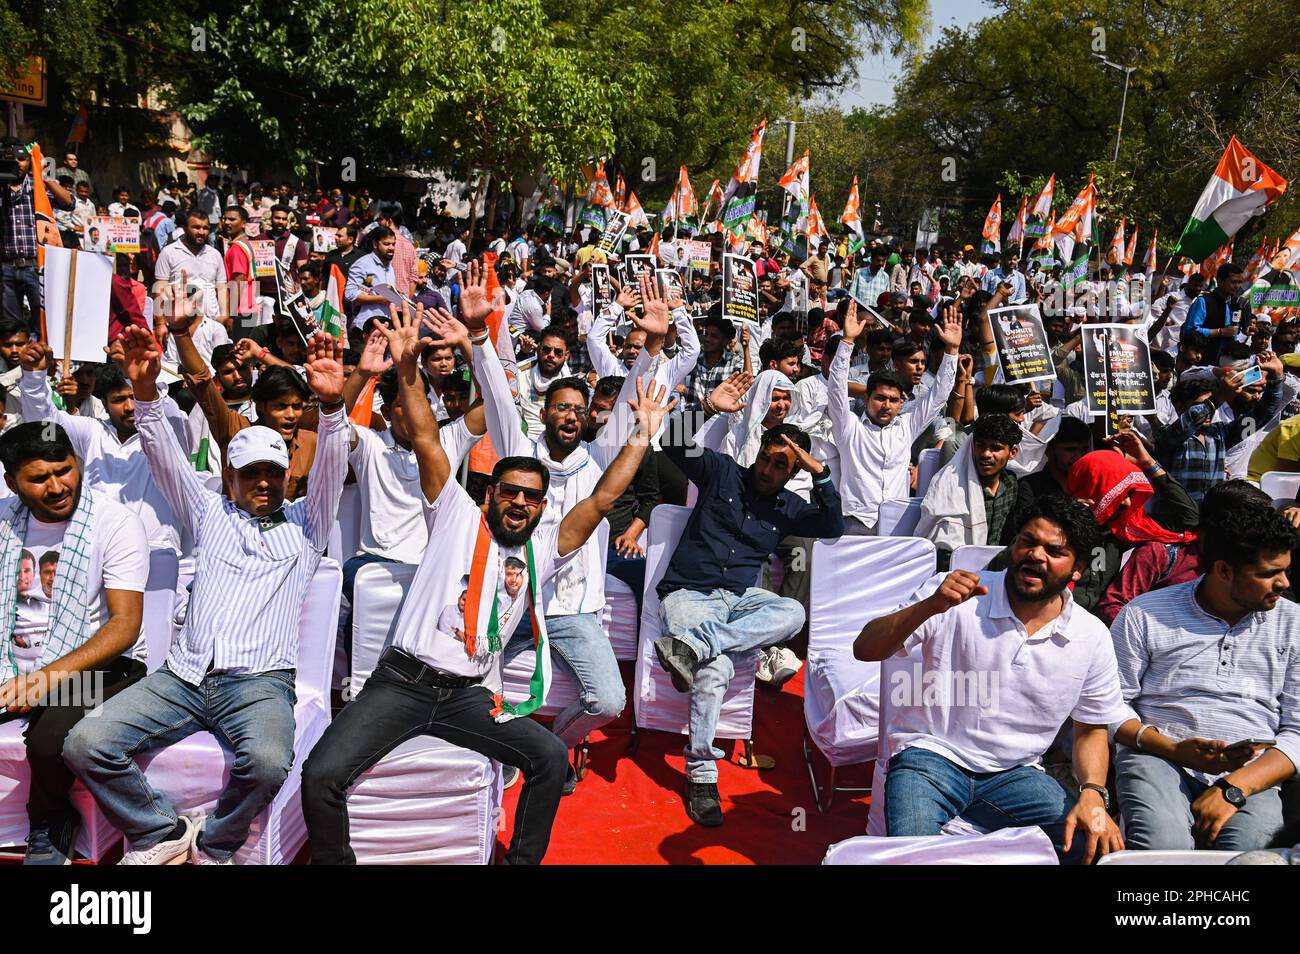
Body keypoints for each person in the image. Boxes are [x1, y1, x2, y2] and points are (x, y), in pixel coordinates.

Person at [300, 302, 673, 865]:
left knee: (548, 758)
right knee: (320, 774)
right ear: (490, 493)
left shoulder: (541, 548)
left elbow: (601, 499)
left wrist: (640, 436)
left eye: (530, 496)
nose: (519, 501)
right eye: (509, 491)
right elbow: (427, 437)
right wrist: (405, 371)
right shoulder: (453, 512)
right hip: (401, 683)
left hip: (469, 696)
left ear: (541, 507)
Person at [64, 324, 348, 865]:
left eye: (273, 472)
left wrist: (332, 411)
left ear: (288, 476)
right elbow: (164, 455)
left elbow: (331, 472)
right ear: (230, 476)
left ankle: (215, 842)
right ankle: (158, 830)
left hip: (260, 682)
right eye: (251, 473)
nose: (264, 482)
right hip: (182, 676)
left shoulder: (307, 526)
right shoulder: (207, 510)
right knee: (84, 743)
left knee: (267, 762)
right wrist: (145, 394)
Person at [478, 270, 684, 790]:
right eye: (561, 407)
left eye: (579, 409)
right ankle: (500, 755)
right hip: (514, 602)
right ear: (544, 413)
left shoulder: (600, 458)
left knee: (608, 701)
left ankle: (551, 749)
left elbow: (643, 404)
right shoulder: (521, 455)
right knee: (467, 682)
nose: (570, 415)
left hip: (574, 613)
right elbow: (499, 395)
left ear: (590, 419)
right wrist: (480, 336)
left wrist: (655, 346)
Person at [855, 496, 1128, 863]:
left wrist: (1093, 791)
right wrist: (930, 606)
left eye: (1054, 550)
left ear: (1077, 568)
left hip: (1015, 775)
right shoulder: (958, 594)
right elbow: (865, 648)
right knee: (913, 857)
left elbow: (1091, 729)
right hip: (931, 759)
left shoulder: (1091, 636)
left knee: (1090, 848)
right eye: (1028, 542)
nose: (1035, 555)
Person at [654, 394, 843, 824]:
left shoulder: (789, 506)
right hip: (688, 592)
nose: (769, 470)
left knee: (793, 612)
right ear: (757, 452)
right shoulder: (722, 472)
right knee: (715, 670)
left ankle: (691, 646)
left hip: (740, 599)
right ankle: (702, 772)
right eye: (768, 458)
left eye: (783, 466)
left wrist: (822, 474)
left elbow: (832, 527)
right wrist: (708, 406)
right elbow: (672, 442)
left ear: (793, 473)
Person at [1110, 503, 1300, 851]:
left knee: (1249, 858)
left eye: (1285, 570)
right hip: (1157, 758)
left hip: (1256, 771)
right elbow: (1109, 708)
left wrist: (1234, 788)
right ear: (1224, 570)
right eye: (1269, 574)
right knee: (1160, 850)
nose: (1284, 584)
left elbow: (1298, 731)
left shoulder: (1294, 624)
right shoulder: (1144, 614)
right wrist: (1173, 749)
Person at [0, 422, 149, 865]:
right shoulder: (5, 519)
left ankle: (51, 823)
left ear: (78, 463)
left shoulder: (115, 521)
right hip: (14, 662)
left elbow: (125, 627)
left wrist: (45, 679)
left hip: (105, 666)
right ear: (12, 481)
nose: (57, 486)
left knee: (49, 740)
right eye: (39, 478)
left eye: (64, 470)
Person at [17, 342, 187, 553]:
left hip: (156, 553)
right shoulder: (93, 432)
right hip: (95, 550)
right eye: (118, 400)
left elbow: (166, 412)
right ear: (104, 404)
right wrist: (33, 379)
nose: (130, 407)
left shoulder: (170, 432)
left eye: (135, 397)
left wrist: (143, 381)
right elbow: (45, 427)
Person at [829, 298, 961, 533]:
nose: (886, 406)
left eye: (893, 400)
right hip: (856, 522)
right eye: (880, 398)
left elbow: (939, 396)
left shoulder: (906, 426)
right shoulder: (849, 427)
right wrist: (847, 341)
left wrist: (952, 351)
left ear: (902, 402)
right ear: (866, 399)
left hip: (898, 523)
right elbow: (836, 387)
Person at [916, 413, 1024, 562]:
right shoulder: (952, 485)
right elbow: (944, 550)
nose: (986, 454)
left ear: (1012, 453)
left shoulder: (1011, 483)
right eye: (980, 445)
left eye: (995, 448)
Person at [1, 138, 73, 331]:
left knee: (44, 323)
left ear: (29, 161)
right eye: (10, 158)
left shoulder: (37, 186)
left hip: (35, 265)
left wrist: (44, 174)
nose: (16, 162)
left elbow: (68, 203)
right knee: (9, 326)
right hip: (5, 267)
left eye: (21, 158)